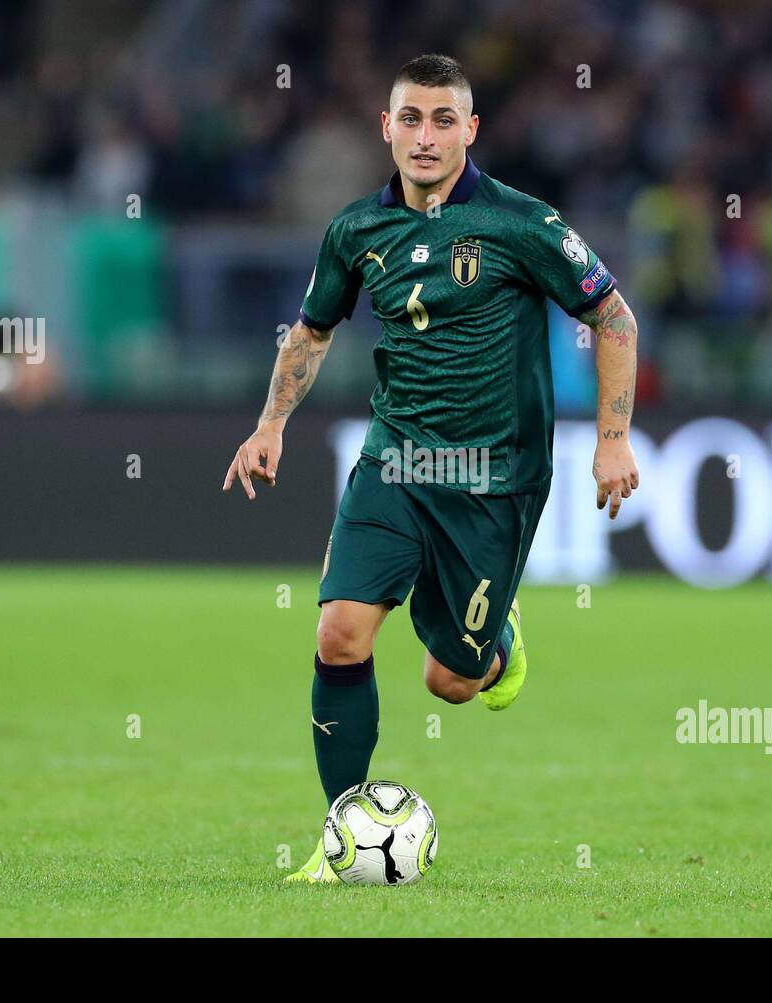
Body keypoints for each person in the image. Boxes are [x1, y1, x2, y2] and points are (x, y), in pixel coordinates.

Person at [223, 54, 639, 883]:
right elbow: (310, 332)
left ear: (470, 131)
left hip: (496, 477)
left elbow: (613, 315)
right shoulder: (354, 231)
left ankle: (497, 639)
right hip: (397, 458)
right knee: (339, 633)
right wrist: (269, 423)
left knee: (451, 680)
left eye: (443, 119)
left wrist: (612, 436)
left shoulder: (523, 223)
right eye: (410, 118)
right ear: (386, 128)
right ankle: (339, 837)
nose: (425, 136)